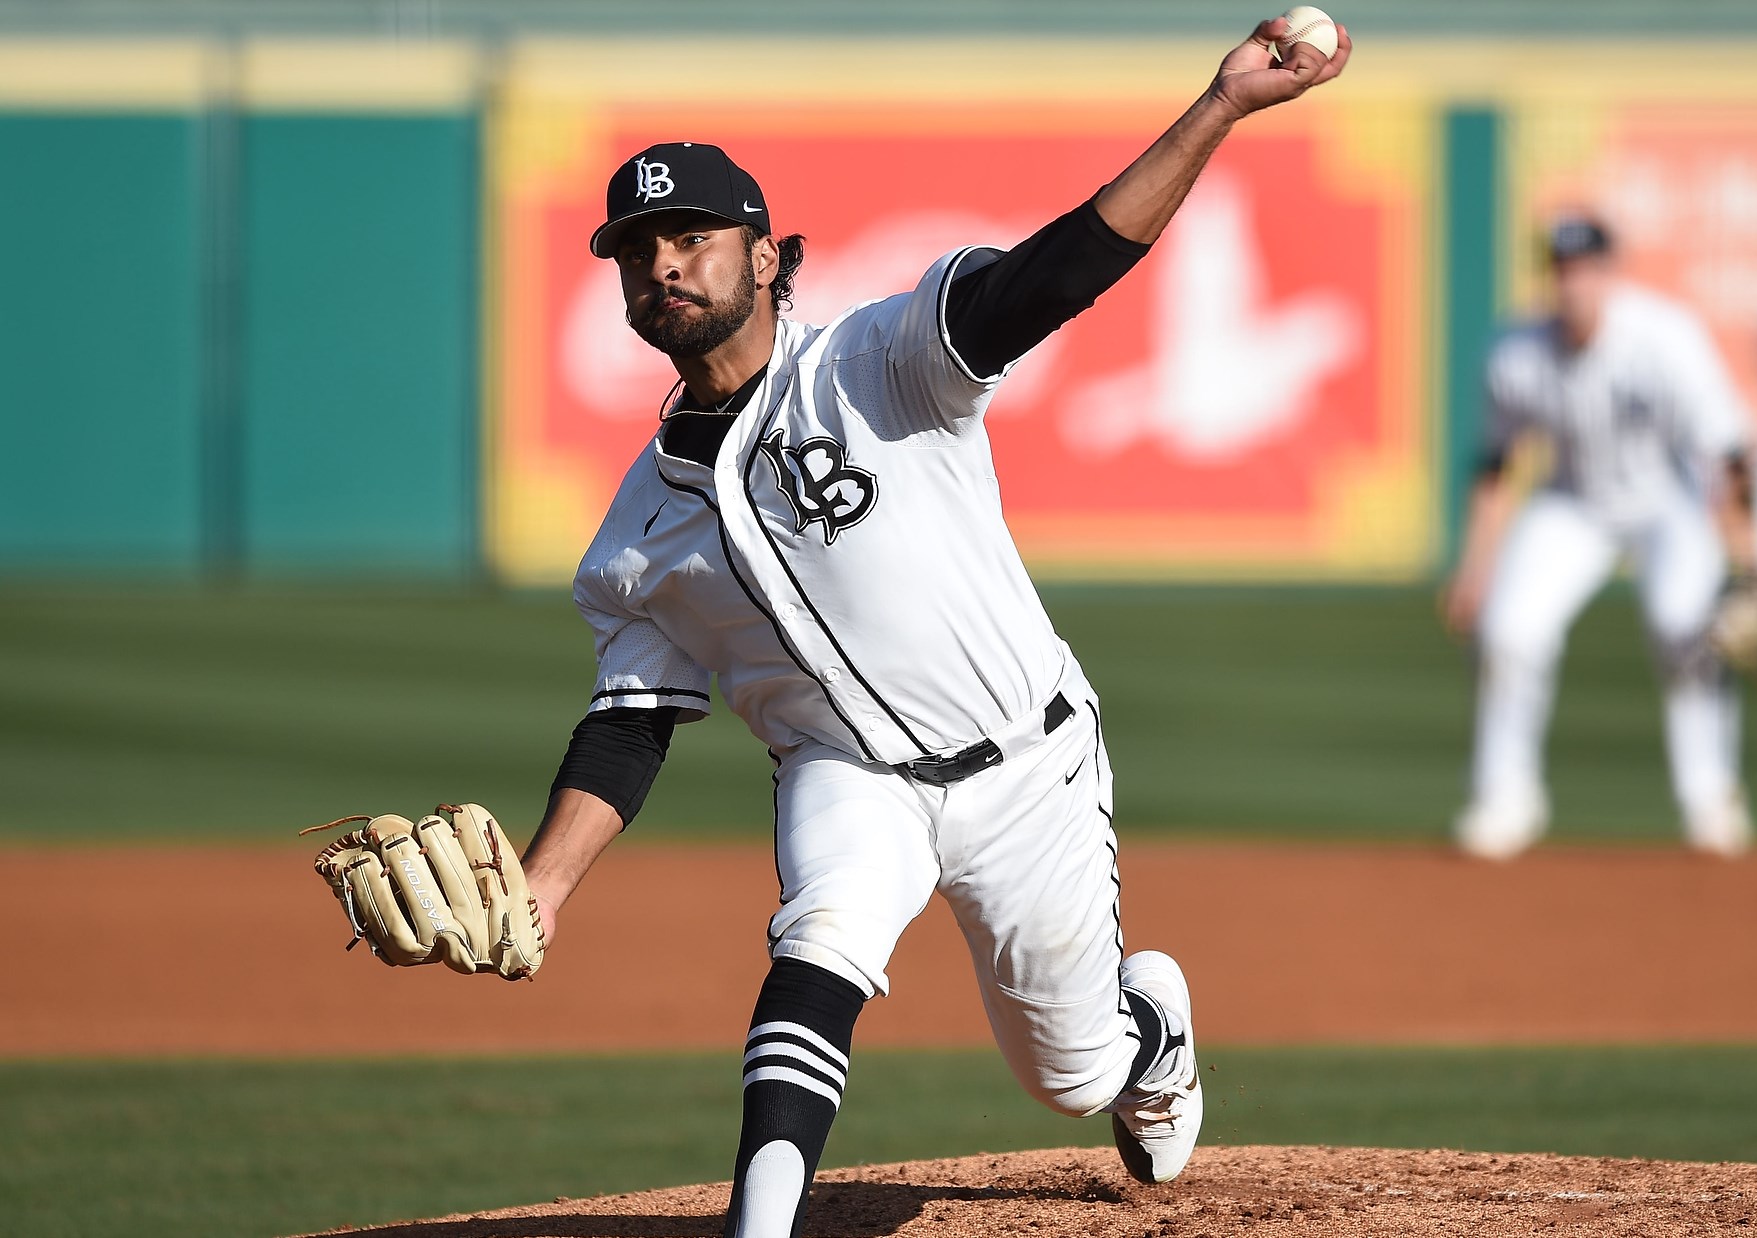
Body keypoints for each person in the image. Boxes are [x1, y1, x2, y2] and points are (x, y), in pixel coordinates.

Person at [516, 18, 1350, 1238]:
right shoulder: (635, 538)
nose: (663, 266)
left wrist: (1218, 107)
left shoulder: (880, 361)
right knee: (820, 940)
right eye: (637, 251)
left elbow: (1056, 273)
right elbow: (631, 721)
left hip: (1025, 760)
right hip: (845, 772)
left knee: (1072, 1075)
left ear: (764, 254)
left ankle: (1151, 1037)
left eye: (691, 237)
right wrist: (543, 884)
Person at [1442, 214, 1757, 860]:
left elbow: (1728, 453)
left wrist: (1752, 564)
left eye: (1586, 269)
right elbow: (1495, 467)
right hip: (1572, 502)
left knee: (1684, 628)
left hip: (1666, 502)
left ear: (1611, 274)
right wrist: (1475, 568)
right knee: (1509, 630)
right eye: (1562, 269)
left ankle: (1712, 797)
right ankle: (1506, 798)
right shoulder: (1515, 353)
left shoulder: (1666, 337)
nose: (1574, 283)